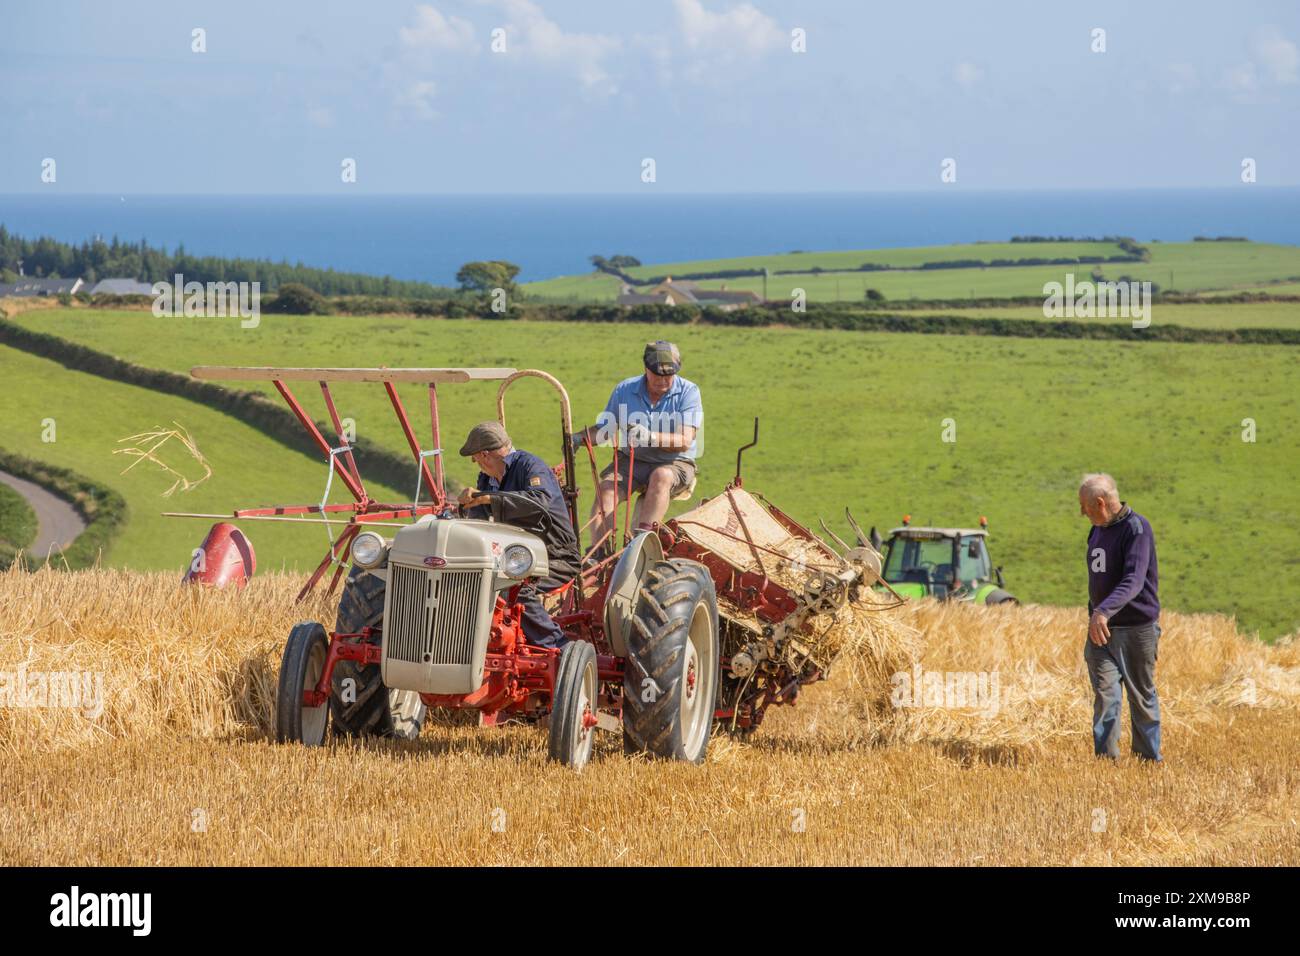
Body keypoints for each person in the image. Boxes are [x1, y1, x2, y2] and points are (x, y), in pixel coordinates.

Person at [457, 421, 579, 649]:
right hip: (514, 559)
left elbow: (539, 501)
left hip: (555, 556)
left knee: (514, 590)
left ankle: (557, 646)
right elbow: (479, 520)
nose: (476, 464)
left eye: (475, 458)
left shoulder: (531, 467)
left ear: (484, 455)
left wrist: (491, 499)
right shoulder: (487, 480)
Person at [572, 340, 702, 552]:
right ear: (645, 369)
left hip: (675, 462)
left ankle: (639, 547)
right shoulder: (625, 390)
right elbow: (605, 429)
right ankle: (598, 553)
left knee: (661, 476)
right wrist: (577, 438)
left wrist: (649, 436)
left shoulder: (689, 392)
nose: (663, 380)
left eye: (668, 375)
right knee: (606, 489)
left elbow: (684, 440)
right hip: (632, 460)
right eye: (656, 375)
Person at [1078, 472, 1162, 762]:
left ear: (1100, 503)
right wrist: (1095, 613)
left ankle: (1148, 762)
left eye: (1085, 507)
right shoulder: (1096, 530)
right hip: (1101, 631)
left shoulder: (1137, 529)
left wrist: (1103, 610)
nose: (1082, 513)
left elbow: (1134, 580)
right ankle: (1106, 762)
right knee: (1106, 697)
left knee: (1141, 697)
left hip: (1137, 630)